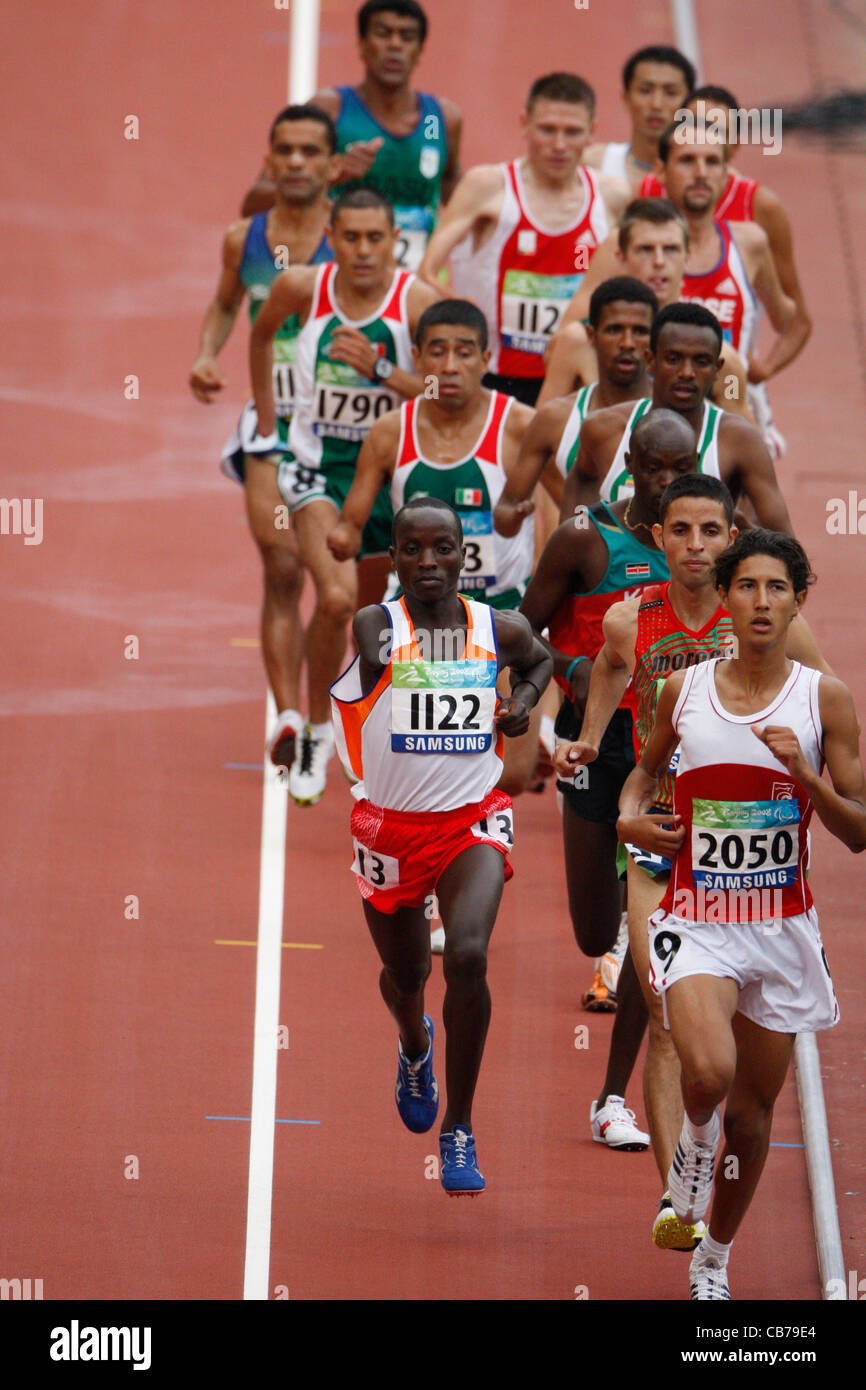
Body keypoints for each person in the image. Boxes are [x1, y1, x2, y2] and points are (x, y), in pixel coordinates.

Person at [554, 481, 831, 1248]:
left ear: (731, 533)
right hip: (662, 843)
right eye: (682, 531)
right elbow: (613, 669)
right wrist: (594, 745)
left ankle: (709, 1175)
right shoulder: (629, 617)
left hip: (755, 870)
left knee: (736, 1070)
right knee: (669, 1023)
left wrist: (801, 782)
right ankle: (681, 1201)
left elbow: (820, 702)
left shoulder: (768, 615)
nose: (698, 545)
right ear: (658, 537)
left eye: (714, 530)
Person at [613, 529, 865, 1298]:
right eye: (746, 586)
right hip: (699, 915)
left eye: (776, 588)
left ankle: (714, 1258)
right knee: (709, 1070)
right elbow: (641, 777)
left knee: (753, 1121)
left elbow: (857, 829)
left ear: (797, 602)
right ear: (724, 598)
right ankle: (692, 1144)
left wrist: (807, 779)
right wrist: (629, 822)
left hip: (782, 928)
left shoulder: (825, 701)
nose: (761, 601)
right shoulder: (682, 690)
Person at [330, 497, 552, 1193]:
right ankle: (414, 1042)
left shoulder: (499, 627)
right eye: (413, 550)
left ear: (466, 555)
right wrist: (429, 664)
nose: (429, 563)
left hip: (470, 821)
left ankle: (460, 1125)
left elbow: (540, 659)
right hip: (388, 828)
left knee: (468, 954)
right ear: (394, 558)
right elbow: (377, 651)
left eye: (444, 549)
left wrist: (520, 705)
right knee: (405, 979)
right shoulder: (376, 624)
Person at [520, 411, 696, 1139]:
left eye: (680, 471)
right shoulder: (584, 540)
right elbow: (522, 630)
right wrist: (572, 669)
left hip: (674, 752)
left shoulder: (707, 547)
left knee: (649, 931)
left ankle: (611, 1100)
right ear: (630, 461)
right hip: (596, 743)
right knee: (597, 931)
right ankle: (623, 906)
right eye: (654, 468)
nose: (667, 485)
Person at [249, 188, 440, 804]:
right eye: (350, 237)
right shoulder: (301, 288)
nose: (362, 250)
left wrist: (382, 371)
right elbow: (260, 336)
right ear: (331, 235)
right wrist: (268, 420)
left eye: (374, 238)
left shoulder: (417, 301)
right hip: (316, 473)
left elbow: (445, 388)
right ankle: (314, 731)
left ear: (393, 240)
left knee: (370, 618)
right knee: (331, 599)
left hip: (390, 479)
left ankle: (371, 729)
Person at [327, 298, 543, 794]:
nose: (450, 366)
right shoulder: (389, 432)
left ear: (487, 359)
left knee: (510, 774)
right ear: (419, 359)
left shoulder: (520, 426)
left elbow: (561, 501)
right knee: (407, 749)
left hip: (498, 611)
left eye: (465, 353)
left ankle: (470, 835)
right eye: (438, 352)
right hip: (414, 615)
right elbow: (353, 518)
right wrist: (342, 536)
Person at [189, 104, 339, 770]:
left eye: (312, 151)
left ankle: (326, 711)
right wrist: (207, 353)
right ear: (270, 161)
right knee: (282, 570)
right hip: (271, 424)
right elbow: (226, 302)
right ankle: (287, 717)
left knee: (339, 586)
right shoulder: (243, 238)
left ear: (333, 164)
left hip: (342, 428)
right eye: (287, 151)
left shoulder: (357, 237)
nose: (299, 162)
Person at [417, 72, 629, 406]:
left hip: (574, 382)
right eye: (547, 129)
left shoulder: (613, 196)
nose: (559, 145)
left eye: (572, 132)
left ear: (592, 133)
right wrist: (459, 306)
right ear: (524, 124)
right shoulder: (487, 186)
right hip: (491, 379)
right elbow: (426, 272)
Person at [564, 124, 806, 395]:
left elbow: (795, 323)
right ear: (660, 171)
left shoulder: (749, 243)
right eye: (687, 161)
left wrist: (762, 369)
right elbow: (566, 340)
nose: (701, 173)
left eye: (712, 162)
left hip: (729, 410)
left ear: (726, 174)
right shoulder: (620, 245)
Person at [242, 0, 462, 271]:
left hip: (416, 284)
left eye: (406, 37)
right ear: (361, 44)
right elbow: (253, 204)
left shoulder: (441, 119)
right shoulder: (330, 109)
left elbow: (458, 196)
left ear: (420, 51)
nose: (394, 46)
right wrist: (332, 175)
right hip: (339, 280)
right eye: (383, 33)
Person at [557, 302, 794, 532]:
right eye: (673, 359)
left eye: (701, 362)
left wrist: (746, 535)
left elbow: (785, 544)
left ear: (717, 369)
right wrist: (576, 539)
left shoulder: (739, 440)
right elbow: (581, 479)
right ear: (650, 361)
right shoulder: (604, 428)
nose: (686, 373)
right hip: (624, 571)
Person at [537, 202, 752, 421]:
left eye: (671, 249)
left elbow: (746, 444)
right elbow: (538, 433)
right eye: (645, 249)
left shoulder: (723, 361)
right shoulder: (579, 342)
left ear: (687, 256)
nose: (659, 261)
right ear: (621, 258)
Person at [582, 46, 696, 193]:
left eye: (671, 92)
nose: (656, 104)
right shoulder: (592, 164)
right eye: (645, 90)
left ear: (689, 104)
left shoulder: (708, 176)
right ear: (626, 98)